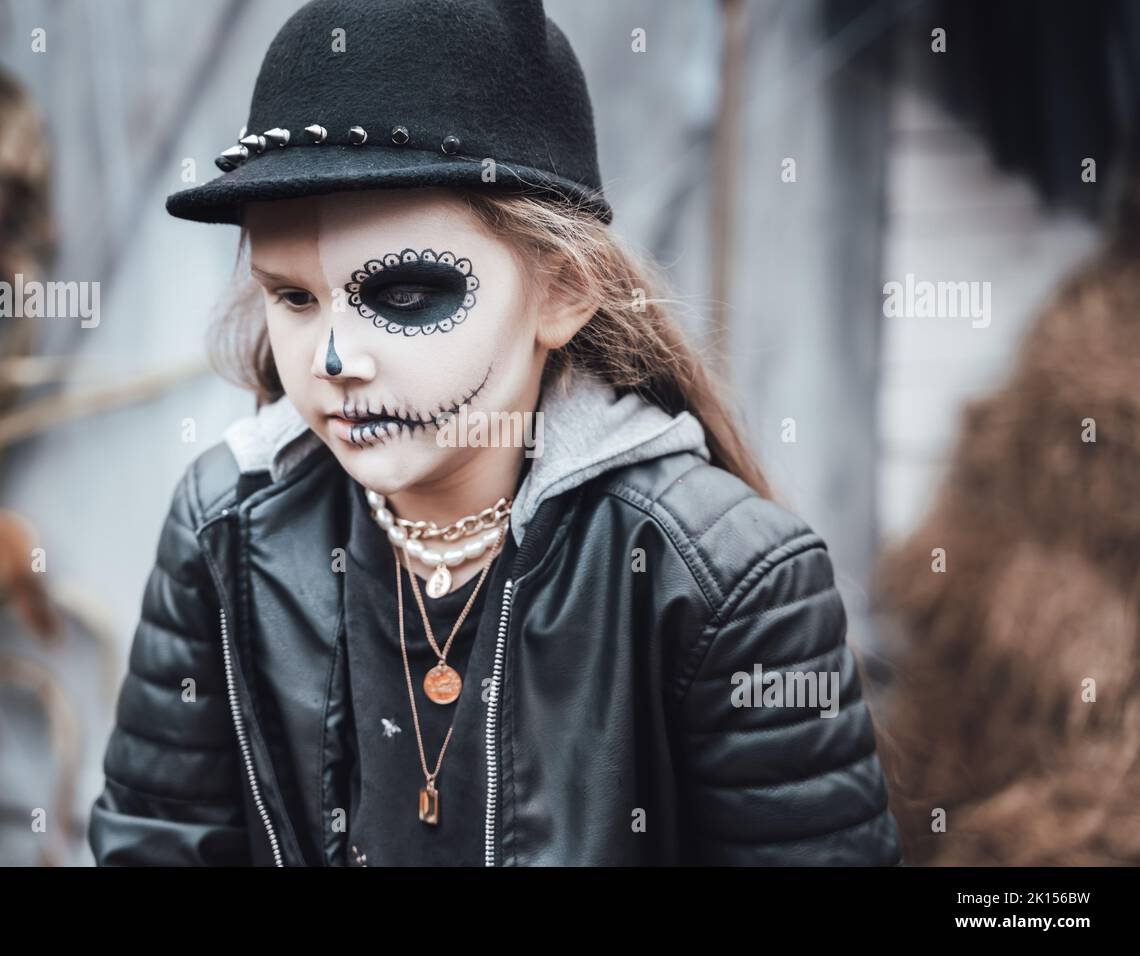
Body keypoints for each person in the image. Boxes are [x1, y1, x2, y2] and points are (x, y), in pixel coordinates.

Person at [87, 0, 902, 866]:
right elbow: (156, 847)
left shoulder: (727, 581)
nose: (332, 357)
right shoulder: (224, 526)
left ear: (562, 291)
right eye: (293, 296)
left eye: (402, 295)